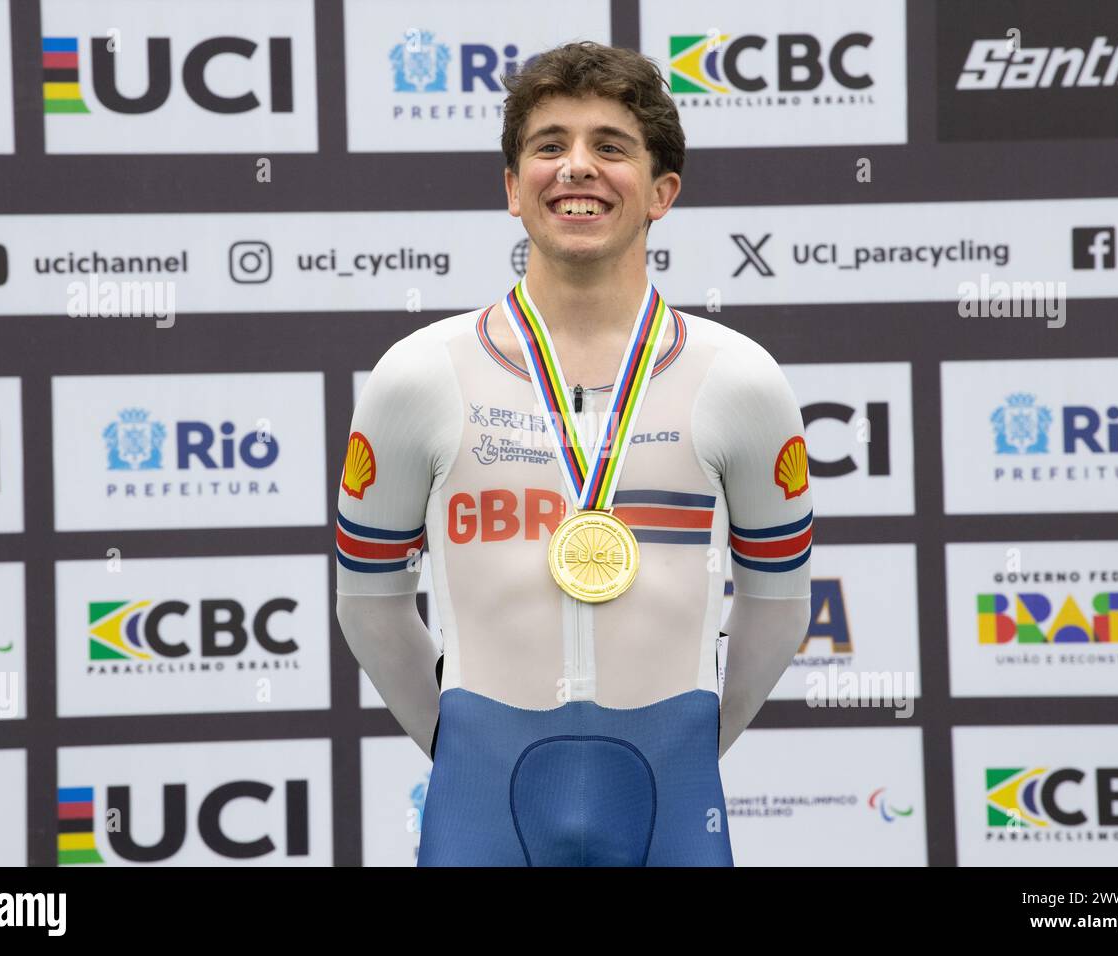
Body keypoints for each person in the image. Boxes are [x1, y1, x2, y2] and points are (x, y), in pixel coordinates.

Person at [335, 41, 812, 866]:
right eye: (550, 145)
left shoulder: (740, 380)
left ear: (662, 192)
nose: (577, 167)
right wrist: (463, 751)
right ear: (512, 187)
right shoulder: (418, 376)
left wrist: (693, 749)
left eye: (610, 146)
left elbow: (779, 604)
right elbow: (369, 605)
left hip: (672, 807)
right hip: (480, 810)